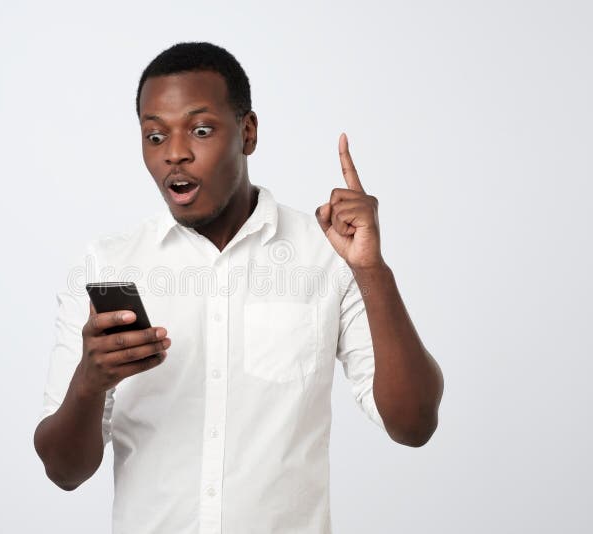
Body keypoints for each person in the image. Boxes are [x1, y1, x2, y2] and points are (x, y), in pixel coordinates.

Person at [34, 41, 444, 533]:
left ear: (247, 133)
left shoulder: (327, 254)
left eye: (201, 129)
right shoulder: (105, 264)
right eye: (155, 136)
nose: (176, 153)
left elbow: (414, 424)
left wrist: (371, 270)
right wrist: (89, 383)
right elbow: (63, 471)